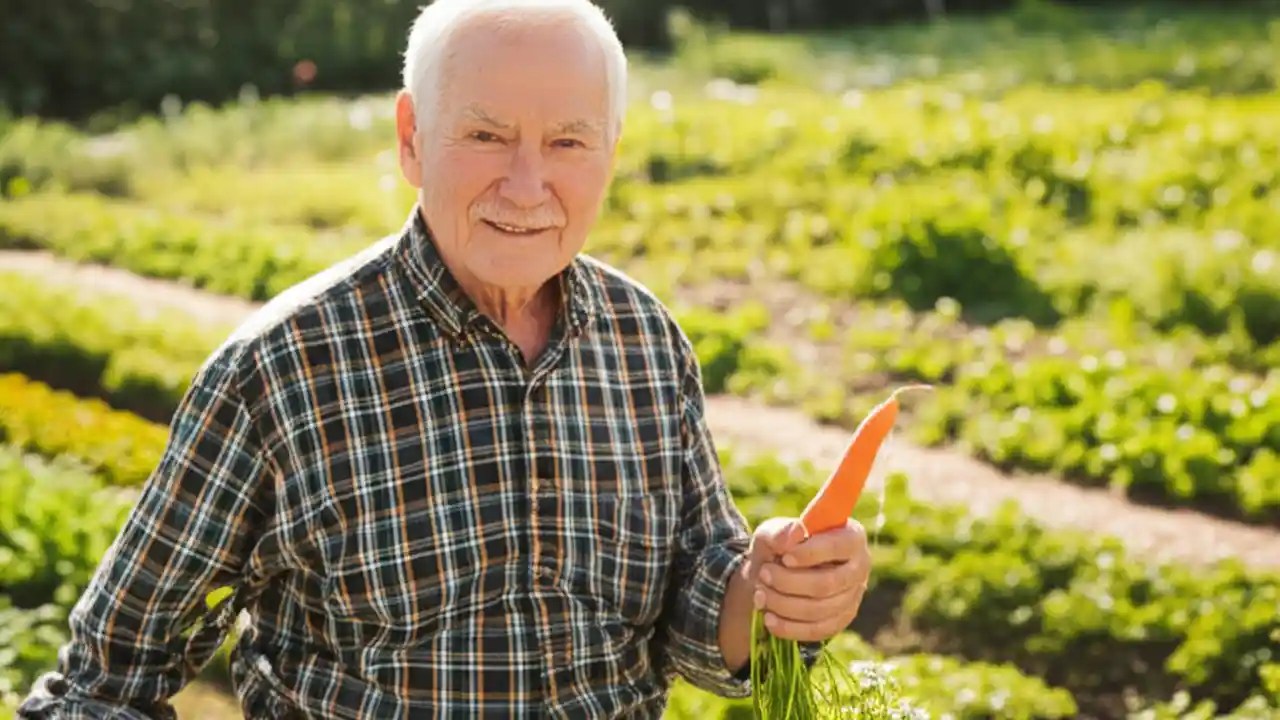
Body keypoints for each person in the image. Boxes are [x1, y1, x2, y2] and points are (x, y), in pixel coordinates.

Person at [17, 0, 872, 717]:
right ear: (412, 137)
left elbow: (694, 620)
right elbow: (105, 682)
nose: (529, 185)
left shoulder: (644, 343)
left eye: (569, 143)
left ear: (611, 148)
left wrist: (771, 594)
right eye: (487, 135)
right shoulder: (282, 372)